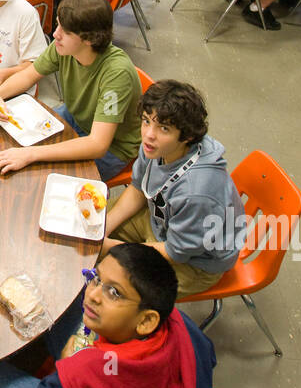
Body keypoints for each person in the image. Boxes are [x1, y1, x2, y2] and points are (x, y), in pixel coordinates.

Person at [0, 243, 216, 388]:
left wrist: (70, 364)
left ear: (147, 320)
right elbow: (208, 360)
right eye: (96, 278)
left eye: (115, 293)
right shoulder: (182, 326)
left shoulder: (75, 379)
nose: (94, 294)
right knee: (69, 302)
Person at [103, 81, 244, 296]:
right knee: (90, 225)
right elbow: (139, 189)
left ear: (187, 136)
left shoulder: (196, 192)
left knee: (126, 292)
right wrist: (102, 230)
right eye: (146, 121)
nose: (149, 134)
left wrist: (113, 248)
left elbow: (175, 251)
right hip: (159, 221)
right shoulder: (155, 145)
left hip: (195, 261)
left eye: (164, 128)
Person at [0, 0, 141, 182]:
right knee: (15, 140)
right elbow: (28, 75)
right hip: (76, 116)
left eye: (66, 32)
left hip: (113, 148)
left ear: (90, 39)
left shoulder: (117, 73)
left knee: (39, 177)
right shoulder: (64, 47)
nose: (55, 34)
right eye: (58, 24)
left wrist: (31, 154)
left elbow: (98, 144)